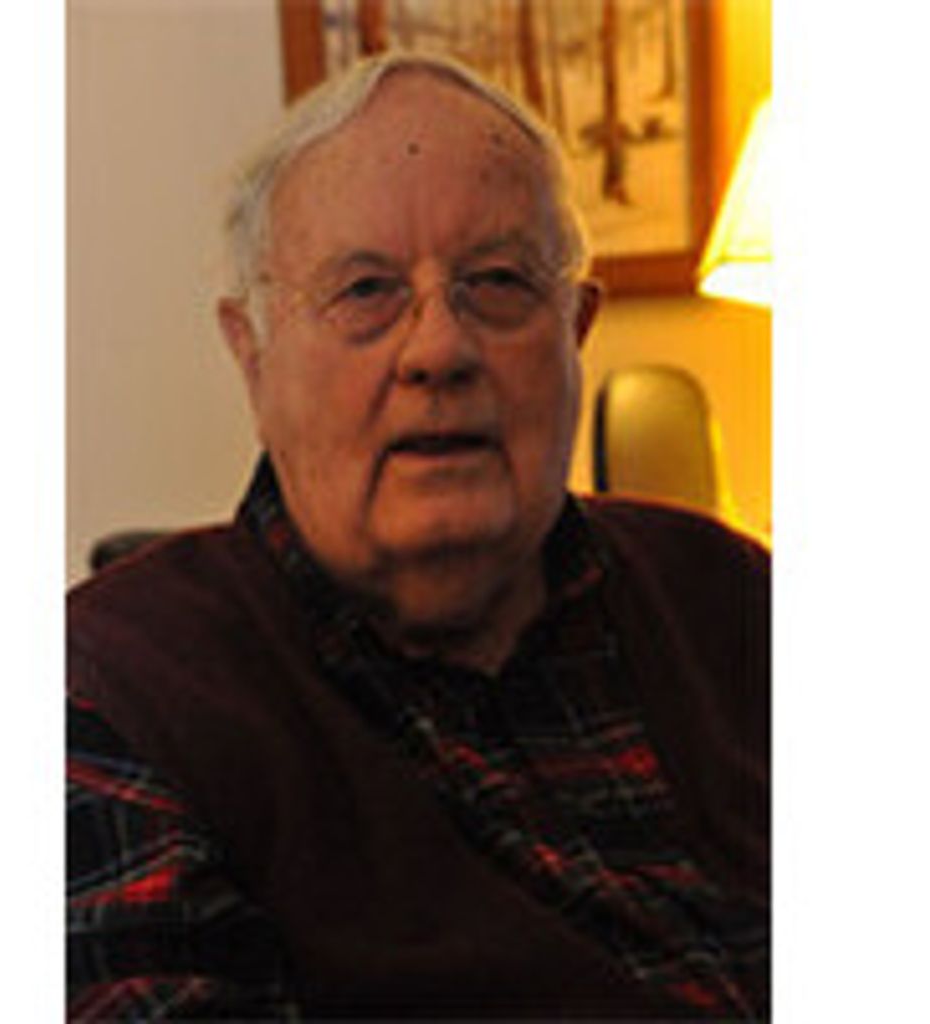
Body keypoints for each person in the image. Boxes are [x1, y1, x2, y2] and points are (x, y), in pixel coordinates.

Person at [67, 52, 769, 1020]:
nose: (440, 348)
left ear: (576, 331)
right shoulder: (112, 695)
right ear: (253, 359)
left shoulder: (733, 594)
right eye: (365, 291)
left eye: (499, 281)